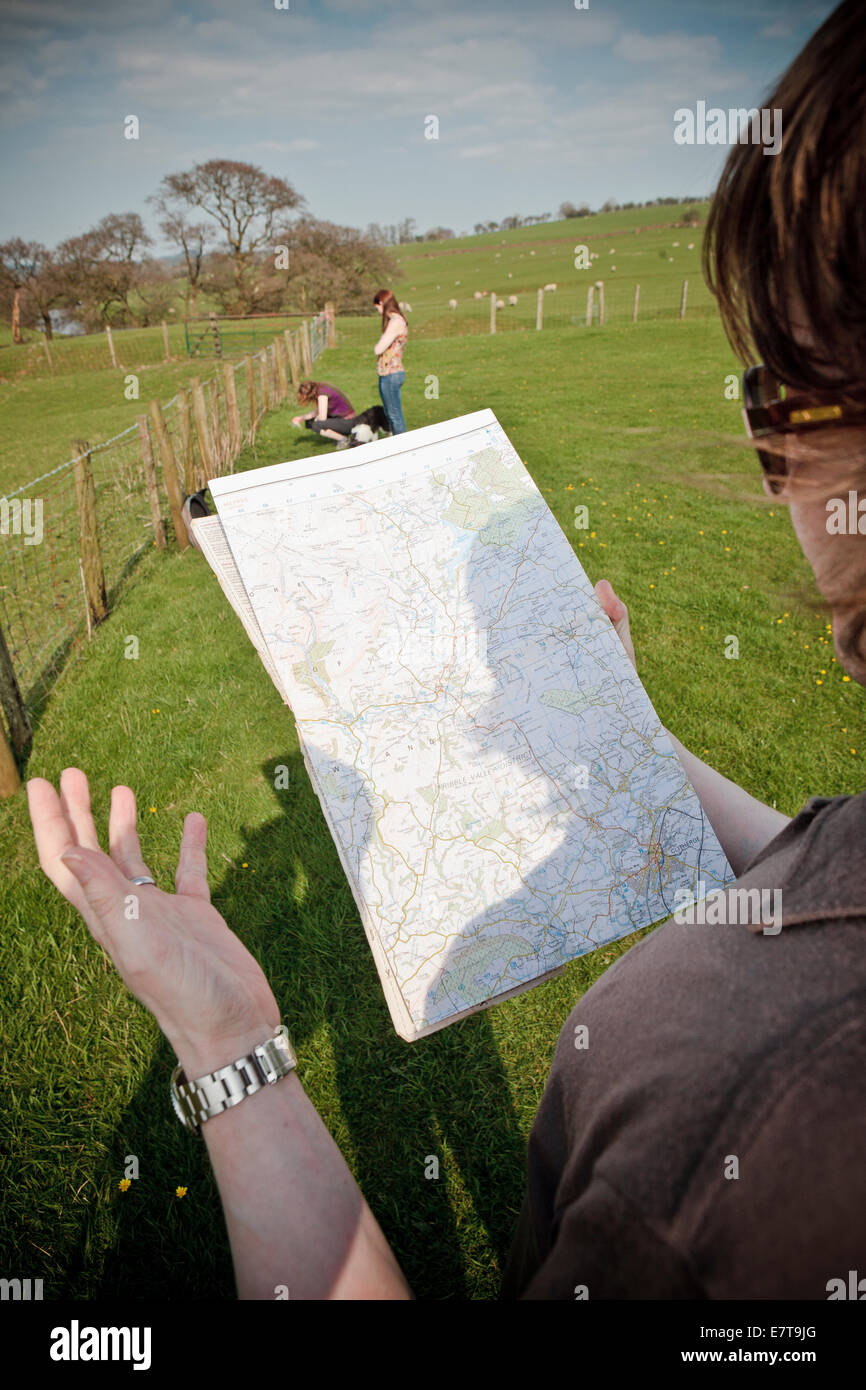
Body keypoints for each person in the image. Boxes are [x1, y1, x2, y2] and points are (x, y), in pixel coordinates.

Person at [26, 0, 866, 1300]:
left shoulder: (728, 1166)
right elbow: (819, 874)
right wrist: (626, 723)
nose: (775, 484)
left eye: (783, 407)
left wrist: (232, 1046)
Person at [372, 289, 408, 434]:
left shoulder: (395, 322)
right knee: (392, 415)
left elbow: (378, 349)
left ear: (381, 303)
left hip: (391, 373)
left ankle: (402, 448)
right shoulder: (395, 320)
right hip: (390, 372)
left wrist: (379, 342)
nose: (378, 311)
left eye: (377, 307)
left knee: (394, 416)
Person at [292, 380, 356, 448]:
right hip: (345, 419)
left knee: (316, 425)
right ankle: (340, 436)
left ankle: (344, 440)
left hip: (348, 422)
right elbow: (318, 411)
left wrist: (316, 419)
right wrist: (301, 417)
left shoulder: (322, 394)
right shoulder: (321, 387)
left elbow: (322, 418)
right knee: (309, 422)